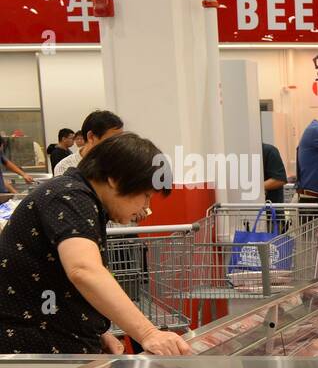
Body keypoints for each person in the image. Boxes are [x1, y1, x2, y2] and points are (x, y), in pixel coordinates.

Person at [0, 133, 191, 355]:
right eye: (146, 195)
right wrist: (148, 333)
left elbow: (57, 278)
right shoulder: (70, 197)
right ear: (115, 179)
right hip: (35, 352)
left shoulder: (77, 196)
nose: (145, 208)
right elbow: (83, 270)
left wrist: (98, 330)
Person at [53, 110, 125, 179]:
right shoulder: (65, 167)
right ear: (91, 137)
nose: (117, 145)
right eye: (112, 140)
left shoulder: (117, 162)